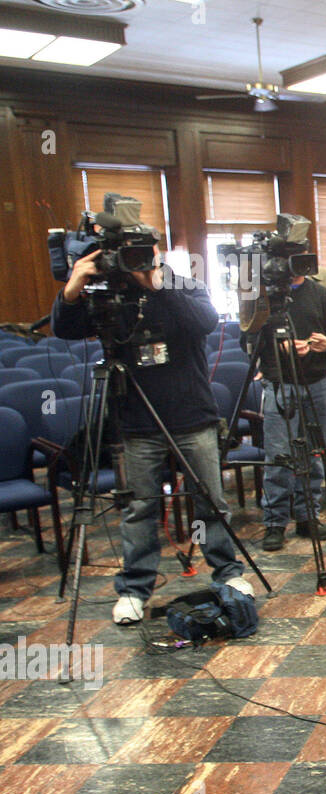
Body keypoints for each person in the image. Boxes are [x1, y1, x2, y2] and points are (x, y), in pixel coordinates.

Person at [51, 239, 252, 625]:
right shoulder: (109, 294)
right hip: (136, 419)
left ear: (157, 250)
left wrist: (157, 285)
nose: (137, 260)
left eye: (143, 251)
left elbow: (204, 323)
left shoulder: (182, 285)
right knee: (139, 507)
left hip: (192, 413)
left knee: (211, 501)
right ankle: (133, 590)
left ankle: (228, 573)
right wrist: (73, 287)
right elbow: (66, 330)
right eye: (128, 254)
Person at [254, 268, 326, 551]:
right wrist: (277, 345)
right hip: (281, 384)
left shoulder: (320, 293)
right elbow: (250, 336)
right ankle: (275, 523)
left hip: (317, 382)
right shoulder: (265, 295)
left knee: (315, 453)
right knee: (279, 456)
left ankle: (308, 516)